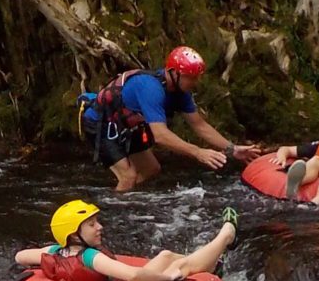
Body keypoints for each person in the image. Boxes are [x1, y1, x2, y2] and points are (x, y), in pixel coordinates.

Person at [81, 46, 256, 192]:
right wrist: (197, 152)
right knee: (128, 176)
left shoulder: (181, 92)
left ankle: (125, 196)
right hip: (100, 122)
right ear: (173, 73)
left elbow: (199, 125)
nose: (195, 82)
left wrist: (232, 149)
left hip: (128, 126)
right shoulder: (151, 89)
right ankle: (112, 210)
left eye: (197, 77)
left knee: (151, 169)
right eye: (191, 77)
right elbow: (160, 135)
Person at [15, 199, 236, 281]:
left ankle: (211, 260)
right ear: (74, 235)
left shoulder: (56, 251)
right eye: (91, 225)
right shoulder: (91, 257)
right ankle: (227, 234)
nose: (100, 227)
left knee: (166, 255)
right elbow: (134, 276)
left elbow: (20, 257)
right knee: (179, 267)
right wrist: (167, 276)